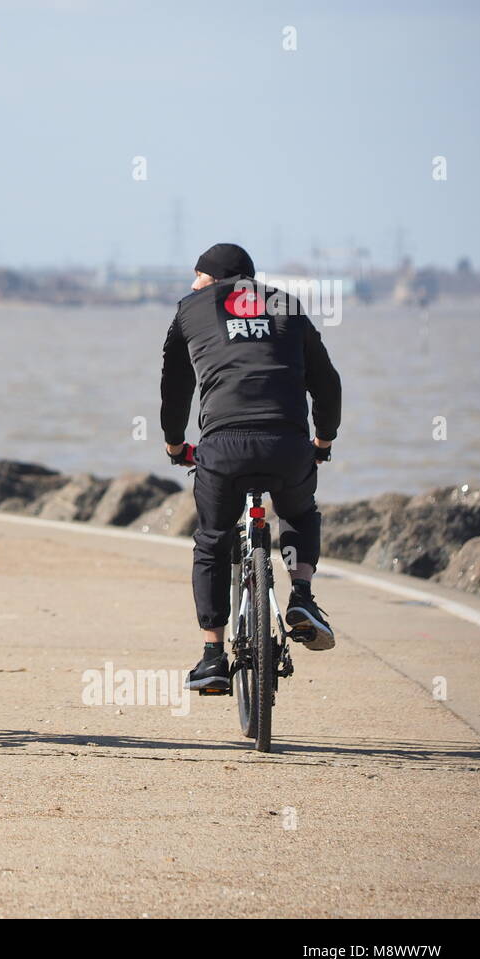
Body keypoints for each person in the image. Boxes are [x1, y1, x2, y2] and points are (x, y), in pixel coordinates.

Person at [159, 243, 342, 693]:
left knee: (213, 540)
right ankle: (301, 597)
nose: (191, 284)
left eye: (197, 276)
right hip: (287, 442)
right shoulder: (287, 305)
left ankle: (211, 657)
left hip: (222, 448)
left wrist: (175, 444)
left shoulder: (189, 310)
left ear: (214, 277)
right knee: (298, 514)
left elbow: (175, 383)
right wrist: (323, 440)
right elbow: (326, 381)